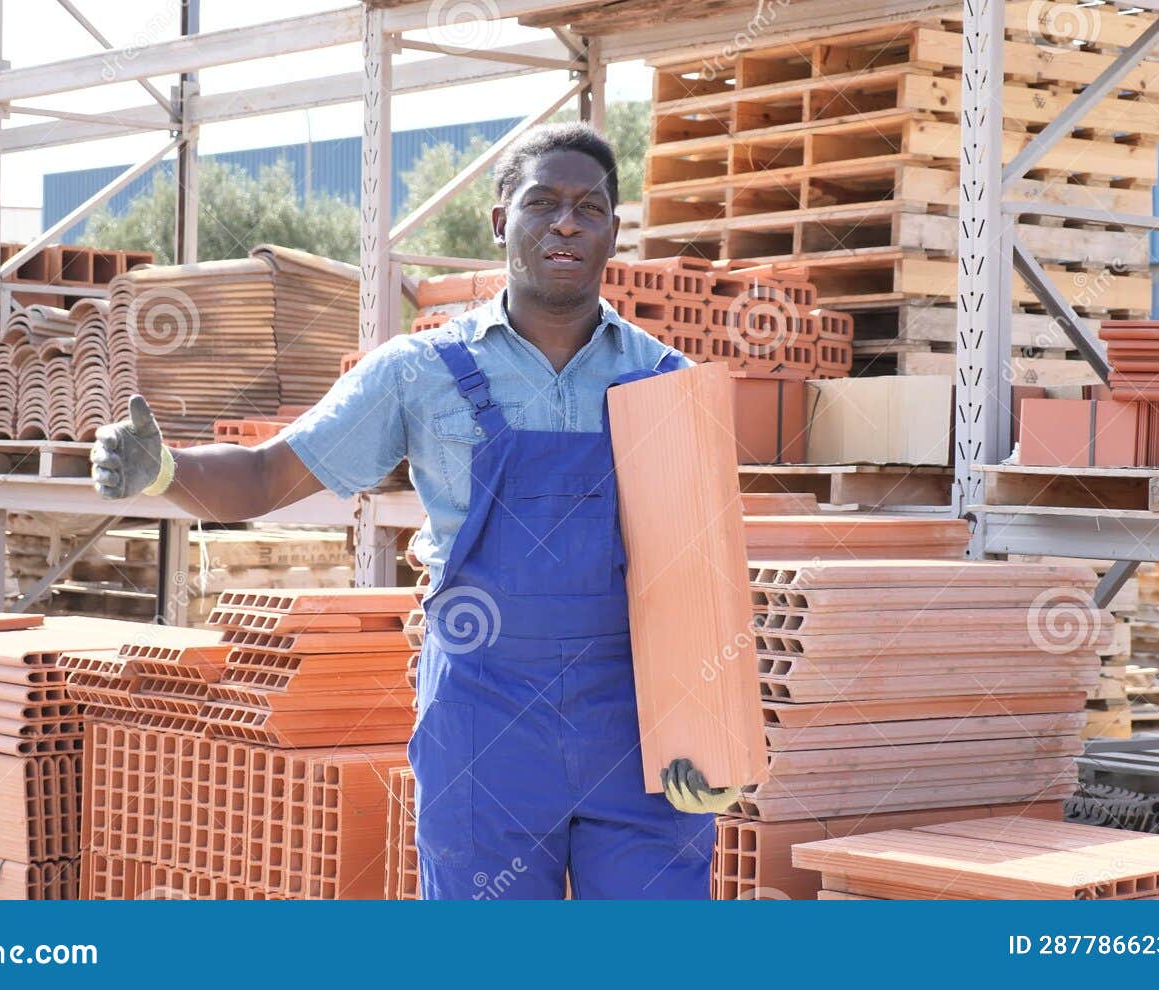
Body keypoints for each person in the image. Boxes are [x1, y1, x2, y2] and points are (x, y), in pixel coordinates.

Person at [90, 123, 737, 900]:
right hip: (484, 725)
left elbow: (704, 577)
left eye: (587, 208)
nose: (565, 223)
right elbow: (267, 477)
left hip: (636, 731)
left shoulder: (669, 381)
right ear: (500, 221)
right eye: (542, 203)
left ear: (612, 231)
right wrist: (166, 470)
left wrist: (715, 730)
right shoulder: (422, 371)